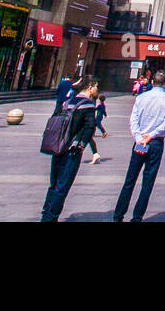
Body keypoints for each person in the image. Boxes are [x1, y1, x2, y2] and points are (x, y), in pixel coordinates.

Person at [113, 71, 165, 222]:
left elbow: (133, 119)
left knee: (130, 179)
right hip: (155, 143)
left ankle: (118, 215)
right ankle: (137, 217)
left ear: (152, 82)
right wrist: (151, 135)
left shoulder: (141, 97)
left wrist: (139, 137)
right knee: (148, 181)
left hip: (140, 142)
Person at [40, 78, 101, 222]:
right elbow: (90, 127)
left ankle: (45, 212)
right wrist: (81, 145)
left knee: (54, 184)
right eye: (96, 87)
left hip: (58, 146)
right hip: (72, 150)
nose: (97, 89)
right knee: (63, 185)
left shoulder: (68, 102)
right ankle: (51, 217)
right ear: (90, 88)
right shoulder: (88, 105)